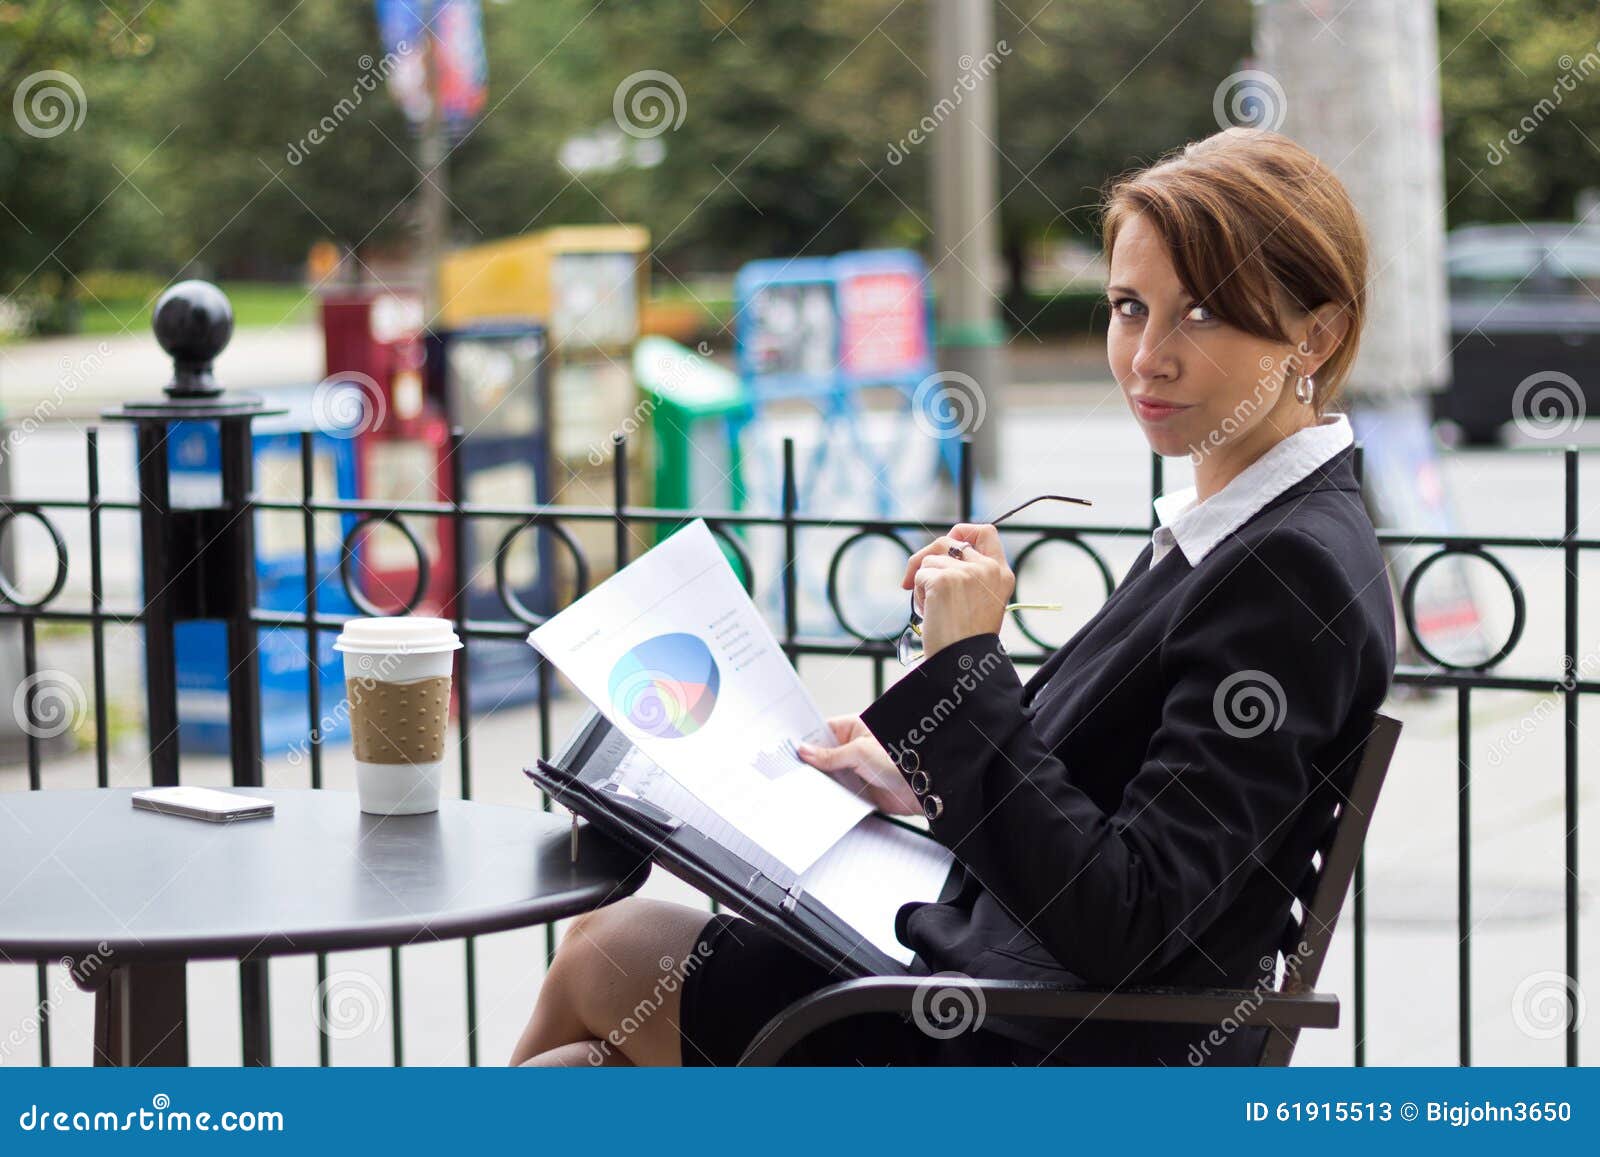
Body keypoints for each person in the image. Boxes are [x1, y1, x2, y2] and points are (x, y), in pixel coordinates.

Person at [509, 126, 1397, 1067]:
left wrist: (965, 667)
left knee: (602, 956)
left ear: (1318, 332)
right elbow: (1109, 798)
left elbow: (1127, 917)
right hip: (1011, 993)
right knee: (585, 1032)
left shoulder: (1284, 570)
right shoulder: (1244, 525)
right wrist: (919, 770)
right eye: (1131, 307)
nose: (1148, 357)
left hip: (1043, 1047)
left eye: (1205, 314)